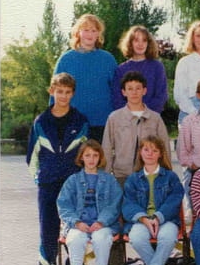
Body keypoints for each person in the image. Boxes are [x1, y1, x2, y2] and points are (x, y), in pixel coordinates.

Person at [27, 72, 88, 265]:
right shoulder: (41, 121)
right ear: (52, 91)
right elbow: (32, 155)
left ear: (73, 94)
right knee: (48, 228)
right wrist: (39, 177)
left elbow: (85, 154)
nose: (63, 96)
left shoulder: (80, 120)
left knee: (74, 227)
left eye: (68, 92)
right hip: (48, 183)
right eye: (59, 91)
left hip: (72, 184)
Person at [56, 140, 122, 265]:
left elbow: (115, 204)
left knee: (102, 239)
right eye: (87, 155)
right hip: (79, 224)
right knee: (75, 240)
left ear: (100, 158)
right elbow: (63, 205)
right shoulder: (72, 180)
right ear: (81, 158)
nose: (91, 159)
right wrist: (76, 222)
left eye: (95, 155)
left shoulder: (109, 180)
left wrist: (102, 221)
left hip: (102, 225)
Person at [122, 135, 184, 265]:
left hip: (166, 219)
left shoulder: (170, 177)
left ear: (160, 154)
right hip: (142, 220)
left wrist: (158, 216)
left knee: (168, 238)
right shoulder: (133, 179)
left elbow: (174, 201)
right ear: (140, 153)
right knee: (136, 238)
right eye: (146, 149)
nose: (150, 153)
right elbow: (128, 204)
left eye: (154, 150)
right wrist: (144, 218)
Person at [53, 13, 116, 141]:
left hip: (102, 122)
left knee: (100, 160)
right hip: (72, 122)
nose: (90, 34)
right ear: (78, 33)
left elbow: (118, 91)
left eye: (94, 30)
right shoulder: (66, 59)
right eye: (86, 30)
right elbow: (55, 92)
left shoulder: (108, 59)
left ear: (98, 34)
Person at [103, 71, 170, 187]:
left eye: (138, 88)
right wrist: (105, 178)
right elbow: (107, 148)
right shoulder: (114, 118)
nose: (134, 92)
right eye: (130, 89)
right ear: (124, 92)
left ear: (144, 91)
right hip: (122, 177)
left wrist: (167, 175)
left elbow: (165, 148)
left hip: (149, 177)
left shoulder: (155, 118)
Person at [112, 26, 168, 114]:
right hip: (127, 120)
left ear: (148, 43)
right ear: (130, 43)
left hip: (151, 118)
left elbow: (161, 96)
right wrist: (132, 113)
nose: (140, 44)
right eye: (136, 40)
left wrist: (143, 112)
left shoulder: (157, 67)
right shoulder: (121, 70)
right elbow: (117, 98)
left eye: (144, 40)